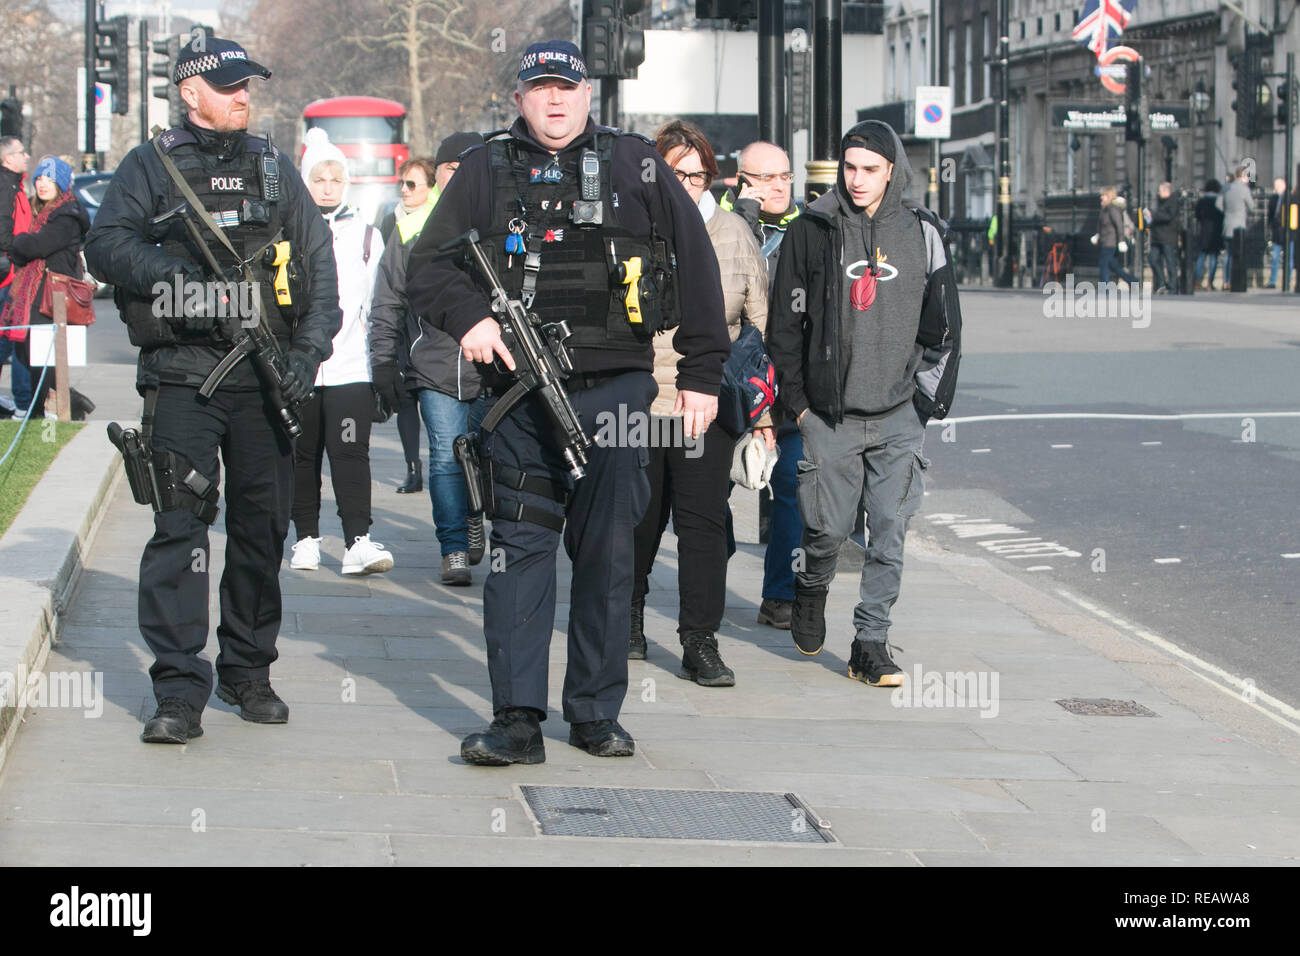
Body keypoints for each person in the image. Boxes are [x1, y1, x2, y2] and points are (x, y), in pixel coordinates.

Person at [405, 40, 729, 764]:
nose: (555, 101)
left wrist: (704, 374)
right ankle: (518, 719)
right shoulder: (486, 168)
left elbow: (697, 263)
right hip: (518, 399)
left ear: (589, 96)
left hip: (616, 392)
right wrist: (473, 320)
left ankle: (593, 712)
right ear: (519, 97)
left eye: (568, 88)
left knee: (609, 553)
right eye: (541, 88)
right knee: (521, 553)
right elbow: (425, 268)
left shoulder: (636, 164)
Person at [84, 36, 342, 743]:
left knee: (261, 529)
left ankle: (247, 671)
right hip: (184, 376)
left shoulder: (272, 166)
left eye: (247, 87)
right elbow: (104, 246)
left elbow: (319, 272)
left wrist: (309, 355)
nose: (242, 97)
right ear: (189, 90)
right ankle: (177, 690)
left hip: (265, 380)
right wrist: (184, 283)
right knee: (180, 531)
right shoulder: (150, 164)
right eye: (228, 86)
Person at [767, 119, 961, 687]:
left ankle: (869, 644)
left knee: (889, 529)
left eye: (869, 170)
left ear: (893, 170)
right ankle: (810, 585)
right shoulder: (814, 229)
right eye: (849, 168)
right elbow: (784, 326)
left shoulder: (924, 233)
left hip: (899, 415)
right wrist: (799, 407)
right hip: (830, 415)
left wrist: (923, 404)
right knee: (825, 530)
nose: (857, 180)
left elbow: (943, 328)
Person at [629, 120, 773, 685]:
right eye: (674, 173)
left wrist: (761, 414)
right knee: (638, 522)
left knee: (704, 526)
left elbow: (759, 328)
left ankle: (699, 641)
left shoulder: (736, 234)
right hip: (641, 402)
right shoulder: (633, 228)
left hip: (706, 403)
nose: (686, 184)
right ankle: (629, 621)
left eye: (697, 174)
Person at [370, 133, 486, 586]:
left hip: (494, 366)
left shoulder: (498, 217)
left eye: (467, 167)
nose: (458, 176)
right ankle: (454, 547)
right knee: (445, 456)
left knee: (486, 455)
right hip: (435, 365)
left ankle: (476, 514)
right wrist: (382, 362)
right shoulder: (412, 225)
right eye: (450, 168)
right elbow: (389, 297)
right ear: (438, 172)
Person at [286, 128, 393, 576]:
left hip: (351, 368)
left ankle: (357, 542)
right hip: (302, 369)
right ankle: (306, 540)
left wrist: (385, 365)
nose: (327, 187)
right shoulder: (288, 231)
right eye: (318, 179)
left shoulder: (367, 236)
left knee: (350, 452)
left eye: (335, 180)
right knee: (302, 455)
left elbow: (378, 306)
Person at [721, 139, 804, 631]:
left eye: (784, 177)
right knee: (712, 494)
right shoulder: (721, 223)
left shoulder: (806, 227)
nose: (778, 186)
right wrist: (747, 216)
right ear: (741, 179)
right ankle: (711, 574)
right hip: (727, 376)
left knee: (791, 484)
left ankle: (780, 595)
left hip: (783, 378)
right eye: (765, 177)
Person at [0, 156, 90, 417]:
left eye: (49, 180)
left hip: (54, 295)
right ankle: (45, 408)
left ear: (60, 184)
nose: (42, 184)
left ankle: (45, 413)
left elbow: (36, 246)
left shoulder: (67, 214)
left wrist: (19, 242)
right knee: (27, 353)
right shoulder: (38, 211)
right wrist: (25, 243)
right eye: (39, 178)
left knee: (45, 359)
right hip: (34, 293)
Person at [381, 157, 439, 494]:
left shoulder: (436, 223)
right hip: (400, 321)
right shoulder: (392, 220)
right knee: (404, 400)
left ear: (430, 189)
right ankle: (412, 469)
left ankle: (440, 466)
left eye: (412, 184)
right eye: (402, 183)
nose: (404, 190)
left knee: (431, 400)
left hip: (427, 325)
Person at [0, 136, 33, 414]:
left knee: (8, 339)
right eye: (22, 152)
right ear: (8, 158)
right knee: (10, 338)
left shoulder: (14, 185)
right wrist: (16, 255)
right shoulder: (5, 187)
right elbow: (3, 230)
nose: (27, 156)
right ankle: (23, 402)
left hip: (13, 271)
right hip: (9, 273)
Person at [1093, 187, 1138, 286]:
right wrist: (1097, 235)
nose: (1101, 197)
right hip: (1106, 241)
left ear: (1109, 197)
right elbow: (1102, 226)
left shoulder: (1112, 209)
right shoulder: (1105, 209)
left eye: (1104, 195)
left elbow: (1119, 225)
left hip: (1111, 242)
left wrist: (1121, 241)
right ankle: (1133, 281)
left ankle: (1104, 287)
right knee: (1113, 266)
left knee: (1104, 264)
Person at [1219, 164, 1252, 287]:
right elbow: (1252, 206)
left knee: (1227, 254)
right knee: (1238, 254)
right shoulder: (1244, 189)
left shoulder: (1226, 188)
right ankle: (1235, 281)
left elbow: (1218, 204)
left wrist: (1227, 212)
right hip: (1239, 226)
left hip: (1227, 224)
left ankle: (1225, 281)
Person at [1146, 182, 1180, 294]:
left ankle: (1173, 286)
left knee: (1170, 262)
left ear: (1166, 191)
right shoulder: (1159, 201)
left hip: (1167, 236)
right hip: (1157, 237)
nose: (1157, 193)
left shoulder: (1173, 201)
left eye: (1160, 191)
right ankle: (1161, 282)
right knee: (1153, 258)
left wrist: (1154, 215)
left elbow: (1169, 216)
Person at [1194, 179, 1224, 291]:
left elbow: (1197, 215)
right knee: (1213, 258)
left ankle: (1196, 281)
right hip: (1216, 232)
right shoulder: (1218, 200)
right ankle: (1210, 283)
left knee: (1201, 257)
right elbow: (1222, 215)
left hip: (1204, 231)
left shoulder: (1202, 201)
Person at [1267, 177, 1294, 290]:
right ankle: (1272, 281)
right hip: (1277, 232)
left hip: (1289, 232)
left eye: (1278, 185)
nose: (1276, 188)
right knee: (1275, 258)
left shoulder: (1291, 198)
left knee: (1289, 259)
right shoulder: (1273, 199)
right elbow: (1270, 215)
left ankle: (1287, 281)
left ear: (1284, 185)